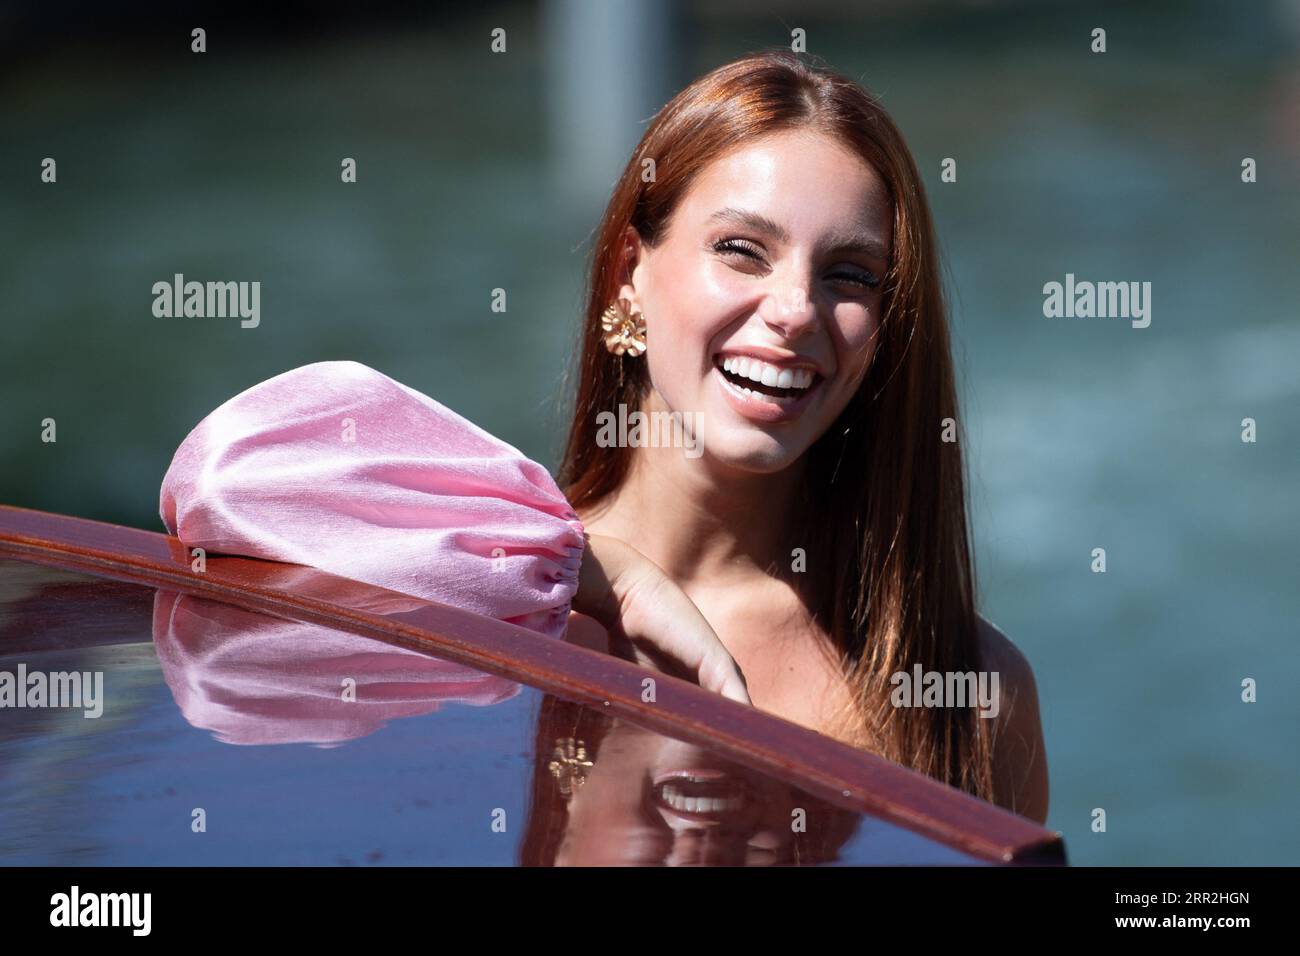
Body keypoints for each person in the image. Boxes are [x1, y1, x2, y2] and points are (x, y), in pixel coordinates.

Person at [161, 50, 1048, 823]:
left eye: (849, 274)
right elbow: (226, 483)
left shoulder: (968, 688)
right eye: (742, 250)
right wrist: (595, 574)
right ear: (630, 276)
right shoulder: (486, 591)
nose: (793, 311)